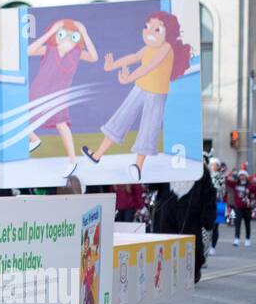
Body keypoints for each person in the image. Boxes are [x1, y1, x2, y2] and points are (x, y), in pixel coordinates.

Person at [82, 10, 194, 181]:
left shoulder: (165, 48)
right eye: (147, 27)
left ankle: (138, 166)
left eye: (157, 30)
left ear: (168, 33)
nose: (150, 32)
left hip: (156, 93)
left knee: (149, 127)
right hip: (140, 88)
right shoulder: (148, 48)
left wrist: (129, 78)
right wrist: (112, 66)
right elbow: (134, 57)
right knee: (121, 117)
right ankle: (97, 154)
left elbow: (148, 67)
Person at [26, 18, 100, 174]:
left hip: (59, 95)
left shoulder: (76, 53)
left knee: (61, 124)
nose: (66, 39)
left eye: (72, 36)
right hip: (39, 91)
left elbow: (94, 57)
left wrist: (84, 33)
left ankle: (72, 160)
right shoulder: (49, 49)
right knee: (24, 116)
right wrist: (51, 31)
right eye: (62, 34)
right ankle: (34, 139)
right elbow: (28, 50)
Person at [150, 167, 216, 283]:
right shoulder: (166, 165)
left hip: (192, 212)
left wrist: (208, 217)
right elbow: (153, 185)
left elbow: (209, 193)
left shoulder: (200, 169)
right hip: (168, 209)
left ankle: (193, 270)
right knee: (167, 242)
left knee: (192, 244)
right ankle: (168, 271)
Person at [225, 168, 256, 247]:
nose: (242, 177)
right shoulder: (235, 184)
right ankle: (236, 239)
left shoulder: (251, 186)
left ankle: (248, 239)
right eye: (240, 175)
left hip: (247, 207)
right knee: (237, 223)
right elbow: (226, 182)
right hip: (238, 207)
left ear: (246, 176)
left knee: (247, 223)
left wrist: (255, 200)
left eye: (243, 175)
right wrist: (228, 174)